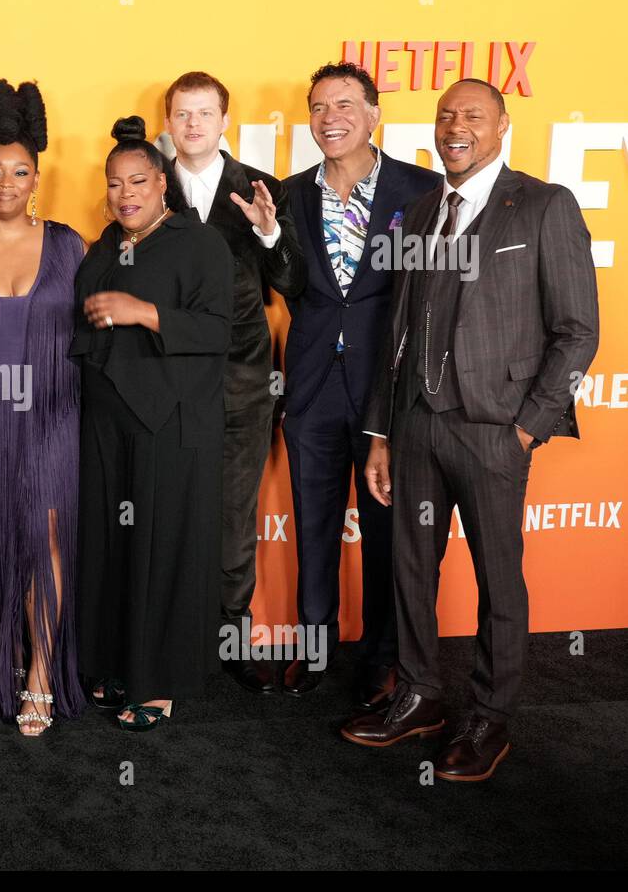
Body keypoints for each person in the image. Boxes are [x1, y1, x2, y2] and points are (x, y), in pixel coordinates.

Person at [342, 79, 599, 782]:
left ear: (502, 126)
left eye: (473, 116)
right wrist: (382, 434)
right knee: (409, 569)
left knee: (498, 581)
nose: (455, 127)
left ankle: (489, 715)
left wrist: (527, 427)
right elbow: (399, 331)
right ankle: (419, 693)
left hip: (493, 431)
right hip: (416, 425)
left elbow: (579, 333)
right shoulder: (422, 212)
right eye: (445, 116)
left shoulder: (545, 205)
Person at [279, 62, 439, 703]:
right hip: (312, 383)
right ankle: (314, 649)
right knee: (312, 525)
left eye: (345, 104)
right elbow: (286, 281)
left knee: (385, 531)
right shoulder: (287, 194)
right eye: (318, 106)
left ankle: (382, 658)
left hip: (388, 390)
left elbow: (432, 297)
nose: (330, 117)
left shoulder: (422, 189)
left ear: (375, 114)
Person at [73, 116, 233, 730]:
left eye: (138, 181)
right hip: (108, 424)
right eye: (115, 184)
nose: (126, 194)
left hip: (169, 424)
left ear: (162, 183)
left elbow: (219, 331)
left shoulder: (199, 243)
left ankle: (158, 681)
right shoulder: (104, 245)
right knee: (115, 549)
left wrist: (144, 311)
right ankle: (119, 665)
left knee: (162, 548)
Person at [0, 79, 85, 736]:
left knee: (46, 539)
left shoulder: (69, 245)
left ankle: (41, 676)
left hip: (56, 418)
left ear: (38, 178)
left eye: (20, 171)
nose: (6, 181)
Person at [162, 71, 307, 694]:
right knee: (164, 513)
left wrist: (270, 233)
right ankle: (167, 639)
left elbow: (292, 285)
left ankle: (232, 635)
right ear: (168, 123)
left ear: (224, 121)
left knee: (230, 518)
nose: (192, 124)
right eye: (181, 114)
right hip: (163, 385)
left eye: (204, 113)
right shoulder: (146, 183)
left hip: (243, 385)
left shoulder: (259, 188)